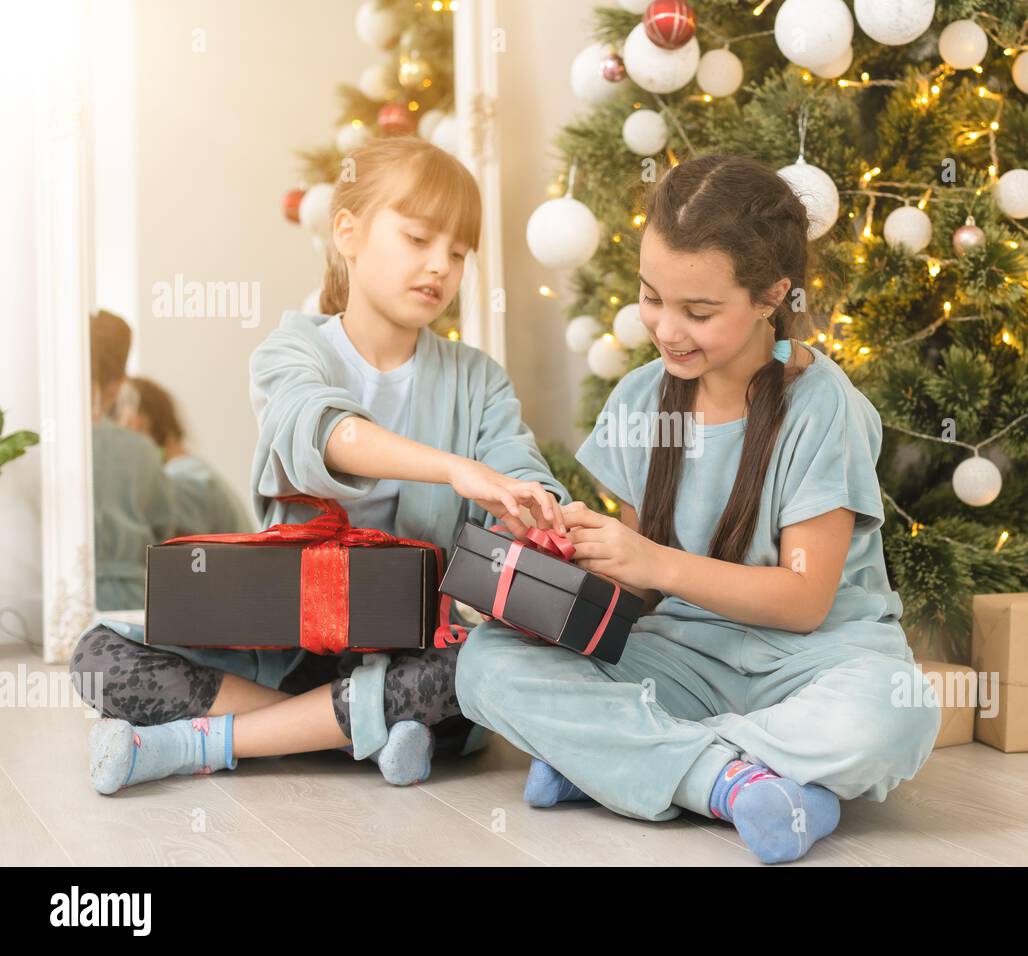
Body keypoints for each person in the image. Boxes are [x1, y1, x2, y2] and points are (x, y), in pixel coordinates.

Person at [454, 154, 942, 864]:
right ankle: (735, 782)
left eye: (700, 311)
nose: (667, 328)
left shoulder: (824, 408)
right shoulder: (638, 402)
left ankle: (627, 765)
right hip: (682, 659)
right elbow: (638, 590)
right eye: (652, 297)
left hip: (815, 664)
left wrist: (652, 560)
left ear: (771, 295)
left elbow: (805, 602)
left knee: (896, 713)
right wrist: (560, 551)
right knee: (485, 667)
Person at [72, 137, 568, 794]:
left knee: (479, 665)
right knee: (96, 659)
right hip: (288, 653)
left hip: (416, 656)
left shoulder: (478, 380)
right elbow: (325, 435)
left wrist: (534, 508)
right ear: (348, 233)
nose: (438, 267)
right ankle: (359, 733)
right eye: (418, 238)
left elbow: (520, 473)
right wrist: (453, 468)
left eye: (457, 253)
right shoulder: (290, 350)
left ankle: (210, 743)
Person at [88, 310, 177, 610]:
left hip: (69, 601)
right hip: (135, 605)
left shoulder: (44, 446)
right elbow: (164, 530)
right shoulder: (142, 451)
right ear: (119, 384)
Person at [116, 376, 253, 535]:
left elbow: (177, 558)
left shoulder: (182, 483)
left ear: (137, 422)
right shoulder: (193, 472)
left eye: (123, 420)